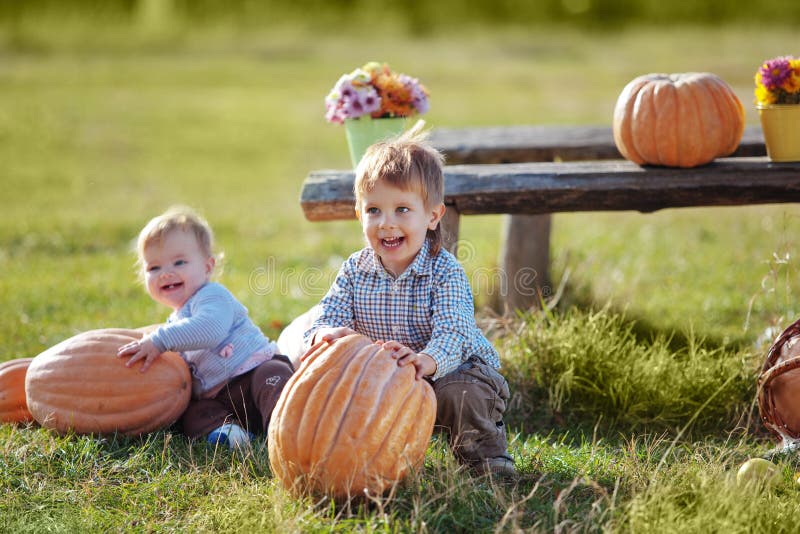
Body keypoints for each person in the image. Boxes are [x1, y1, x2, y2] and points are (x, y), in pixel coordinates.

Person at [303, 129, 515, 476]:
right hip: (387, 380)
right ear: (359, 215)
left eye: (402, 209)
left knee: (460, 394)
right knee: (343, 387)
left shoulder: (444, 271)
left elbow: (455, 333)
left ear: (432, 217)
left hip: (451, 372)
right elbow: (327, 314)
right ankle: (365, 461)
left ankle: (485, 460)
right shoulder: (356, 270)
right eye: (374, 210)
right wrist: (324, 335)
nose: (387, 223)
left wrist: (424, 361)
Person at [118, 206, 293, 451]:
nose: (166, 273)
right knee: (189, 412)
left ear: (208, 267)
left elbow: (210, 329)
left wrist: (158, 341)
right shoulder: (173, 324)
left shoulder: (212, 296)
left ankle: (287, 425)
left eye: (179, 262)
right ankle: (229, 433)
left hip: (254, 372)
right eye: (153, 267)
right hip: (219, 397)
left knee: (273, 378)